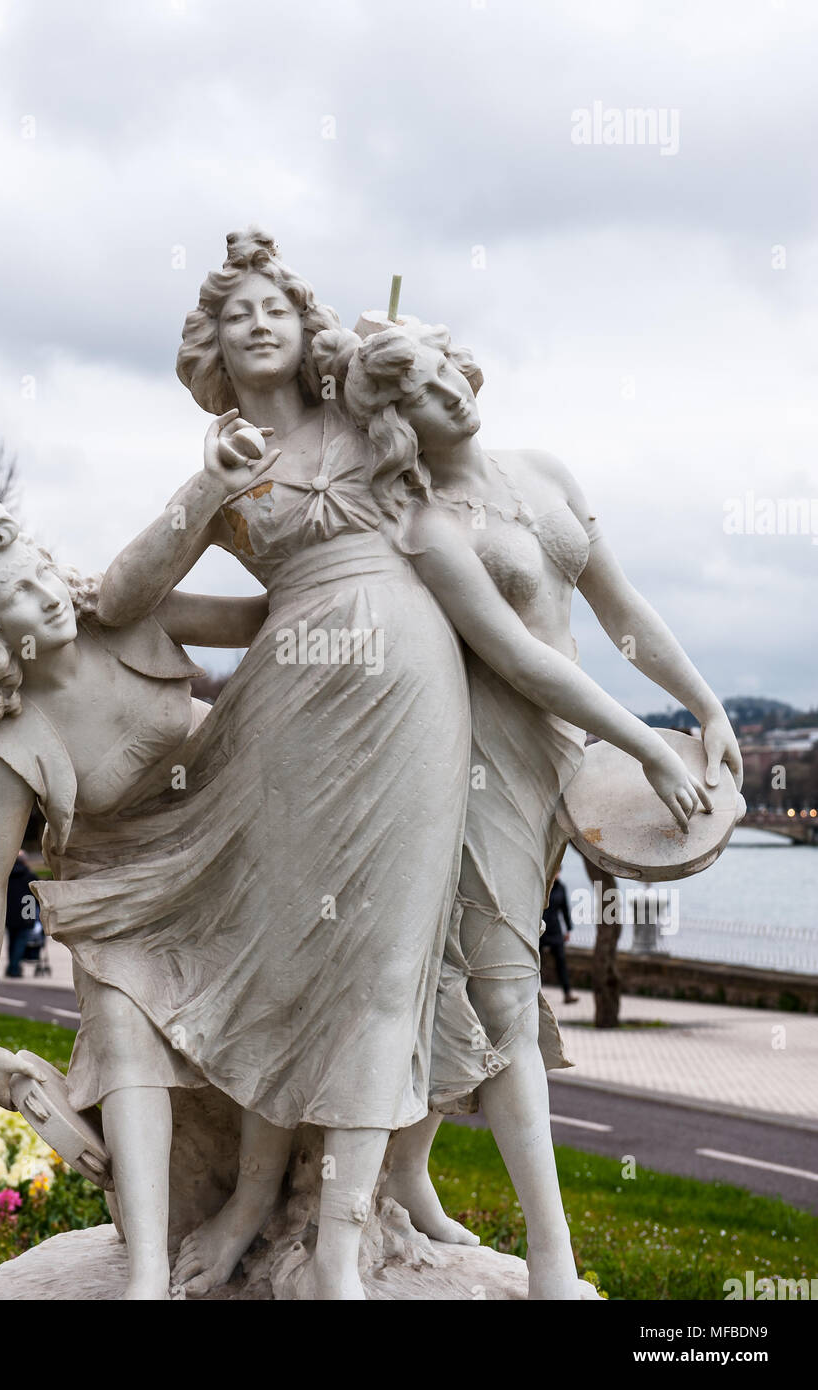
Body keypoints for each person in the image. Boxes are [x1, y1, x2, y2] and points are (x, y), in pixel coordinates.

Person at [51, 228, 480, 1300]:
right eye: (234, 312)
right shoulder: (228, 467)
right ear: (211, 348)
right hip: (287, 721)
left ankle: (339, 1238)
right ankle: (250, 1202)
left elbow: (464, 410)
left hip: (415, 700)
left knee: (385, 964)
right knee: (284, 966)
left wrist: (409, 361)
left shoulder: (362, 414)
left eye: (275, 306)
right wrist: (205, 497)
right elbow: (121, 597)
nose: (257, 321)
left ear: (304, 323)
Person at [312, 317, 742, 1298]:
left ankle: (410, 1176)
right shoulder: (424, 524)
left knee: (453, 980)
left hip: (567, 763)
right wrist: (644, 741)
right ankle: (554, 1268)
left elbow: (621, 616)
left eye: (438, 370)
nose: (444, 393)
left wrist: (706, 704)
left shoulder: (542, 471)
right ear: (393, 425)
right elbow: (519, 658)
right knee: (501, 990)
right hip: (478, 770)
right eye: (414, 392)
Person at [0, 493, 270, 1300]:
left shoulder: (126, 615)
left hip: (239, 844)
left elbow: (264, 619)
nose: (44, 591)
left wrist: (246, 515)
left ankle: (316, 1198)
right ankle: (148, 1270)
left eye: (38, 568)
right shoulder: (16, 739)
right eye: (16, 592)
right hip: (128, 895)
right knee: (119, 1019)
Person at [540, 872, 577, 1004]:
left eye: (558, 871)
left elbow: (565, 909)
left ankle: (567, 994)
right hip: (540, 929)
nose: (556, 873)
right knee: (537, 963)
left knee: (561, 962)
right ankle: (536, 994)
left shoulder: (561, 887)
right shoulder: (542, 885)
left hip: (555, 931)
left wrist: (568, 929)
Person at [3, 852, 37, 978]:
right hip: (26, 913)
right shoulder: (29, 876)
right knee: (20, 941)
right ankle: (14, 968)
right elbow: (37, 896)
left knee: (11, 941)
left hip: (9, 914)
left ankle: (11, 965)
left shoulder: (6, 877)